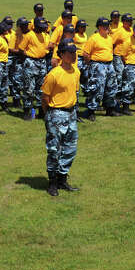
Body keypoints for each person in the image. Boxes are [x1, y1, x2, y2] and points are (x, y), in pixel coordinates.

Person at [41, 40, 81, 197]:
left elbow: (74, 92)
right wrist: (49, 115)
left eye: (75, 52)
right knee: (54, 150)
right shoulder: (54, 74)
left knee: (70, 148)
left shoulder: (76, 72)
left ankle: (62, 179)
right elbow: (45, 98)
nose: (73, 55)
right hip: (56, 114)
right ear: (62, 55)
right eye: (70, 53)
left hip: (71, 113)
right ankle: (52, 182)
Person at [81, 17, 117, 119]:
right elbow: (86, 54)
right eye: (104, 26)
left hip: (109, 65)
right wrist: (92, 64)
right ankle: (91, 111)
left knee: (111, 87)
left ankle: (110, 109)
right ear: (99, 27)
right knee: (96, 88)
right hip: (98, 65)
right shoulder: (94, 38)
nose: (107, 28)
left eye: (107, 26)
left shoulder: (109, 38)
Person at [18, 16, 52, 120]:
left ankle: (41, 111)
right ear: (35, 26)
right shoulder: (29, 35)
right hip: (31, 62)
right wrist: (28, 59)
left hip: (42, 62)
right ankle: (27, 110)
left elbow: (47, 48)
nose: (43, 28)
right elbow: (21, 49)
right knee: (29, 88)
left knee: (41, 88)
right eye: (40, 26)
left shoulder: (45, 35)